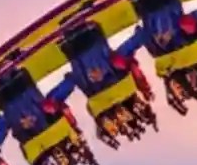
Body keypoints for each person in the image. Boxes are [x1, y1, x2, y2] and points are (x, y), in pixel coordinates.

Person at [0, 62, 105, 165]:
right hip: (35, 108)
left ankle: (1, 82)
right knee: (36, 106)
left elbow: (21, 140)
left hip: (23, 116)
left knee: (21, 114)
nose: (60, 159)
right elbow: (63, 113)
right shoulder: (70, 139)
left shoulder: (39, 156)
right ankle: (10, 73)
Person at [57, 18, 158, 148]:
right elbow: (127, 56)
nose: (122, 116)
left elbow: (73, 81)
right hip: (88, 41)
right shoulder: (124, 89)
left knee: (103, 67)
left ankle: (73, 33)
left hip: (80, 47)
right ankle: (76, 31)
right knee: (113, 62)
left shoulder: (104, 102)